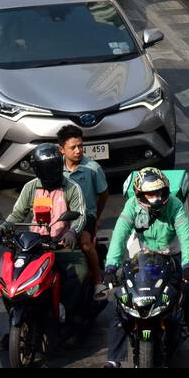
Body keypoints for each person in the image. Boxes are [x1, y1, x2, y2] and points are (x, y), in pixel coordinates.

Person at [102, 167, 189, 366]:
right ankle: (114, 359)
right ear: (140, 194)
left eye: (159, 192)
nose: (156, 198)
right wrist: (111, 267)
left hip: (171, 257)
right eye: (150, 193)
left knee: (188, 291)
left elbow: (186, 236)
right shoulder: (131, 206)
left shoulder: (174, 205)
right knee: (120, 302)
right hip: (143, 259)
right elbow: (119, 235)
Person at [0, 144, 89, 328]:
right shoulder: (30, 188)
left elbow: (80, 215)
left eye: (55, 167)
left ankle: (66, 313)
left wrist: (72, 232)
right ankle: (16, 318)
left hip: (61, 245)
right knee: (10, 279)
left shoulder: (72, 188)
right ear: (38, 170)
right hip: (34, 246)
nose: (53, 172)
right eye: (47, 168)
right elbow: (17, 214)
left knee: (80, 273)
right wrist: (2, 229)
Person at [58, 125, 109, 296]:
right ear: (62, 150)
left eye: (80, 146)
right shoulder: (56, 169)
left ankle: (97, 281)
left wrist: (96, 217)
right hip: (61, 215)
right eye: (73, 147)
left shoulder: (93, 168)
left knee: (86, 245)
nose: (78, 151)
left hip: (85, 215)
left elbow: (103, 194)